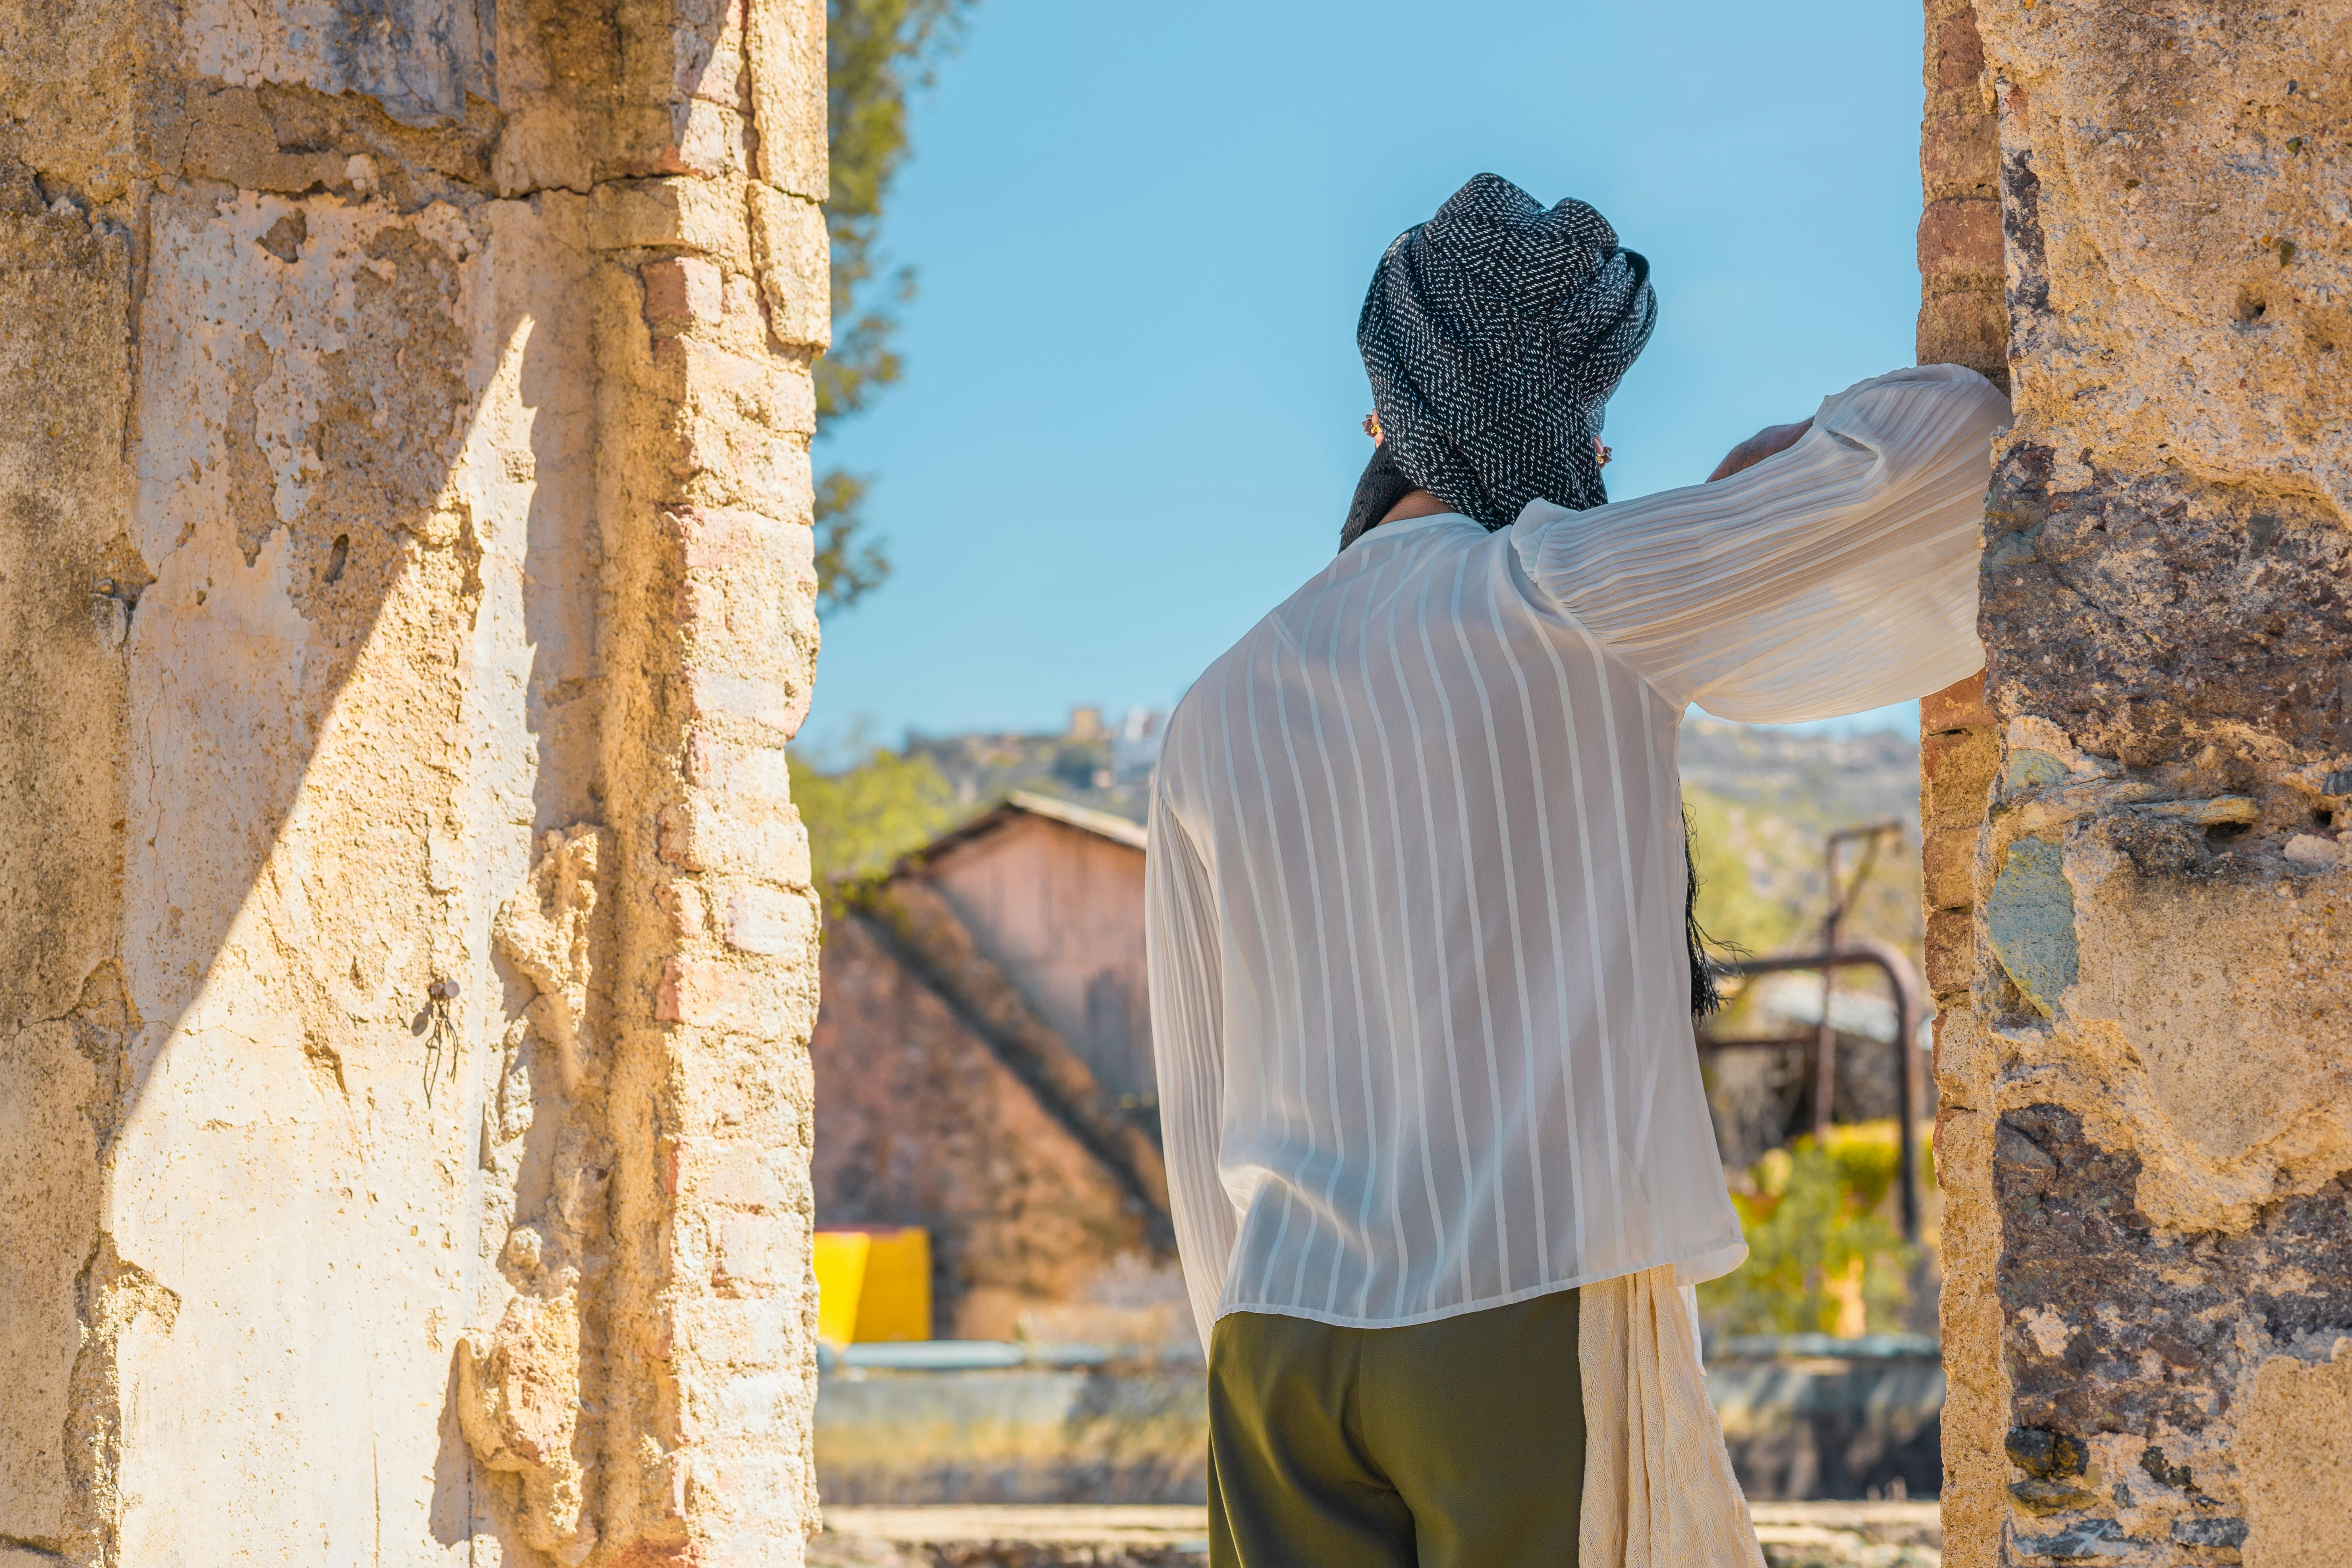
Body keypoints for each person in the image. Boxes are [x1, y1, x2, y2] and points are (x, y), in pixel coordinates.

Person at [1143, 173, 2007, 1568]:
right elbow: (1945, 445)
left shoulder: (1214, 704)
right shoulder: (1569, 593)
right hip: (1522, 1297)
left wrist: (1238, 1346)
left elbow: (1194, 1094)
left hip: (1273, 1339)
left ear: (1385, 412)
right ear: (1577, 422)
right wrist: (1762, 470)